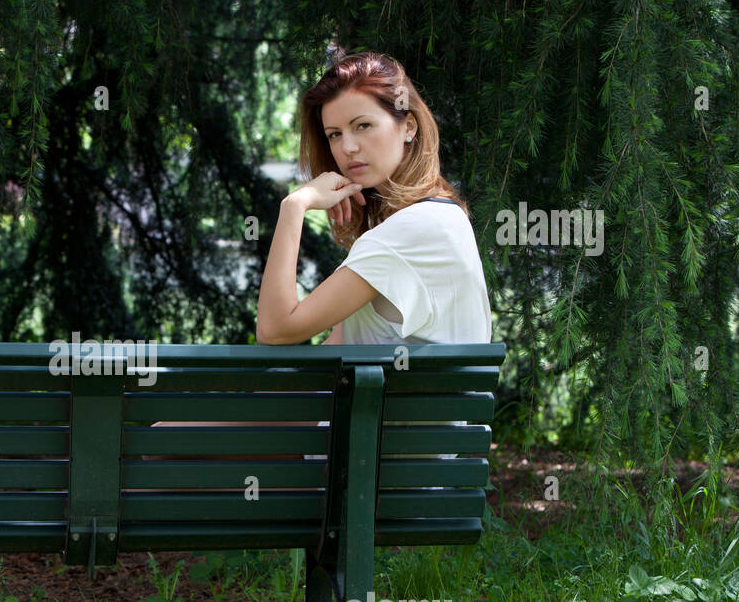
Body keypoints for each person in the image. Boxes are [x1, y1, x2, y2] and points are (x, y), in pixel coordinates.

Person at [153, 51, 492, 469]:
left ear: (408, 127)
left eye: (363, 126)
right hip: (398, 455)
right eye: (333, 134)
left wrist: (293, 207)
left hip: (370, 458)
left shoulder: (411, 231)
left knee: (162, 447)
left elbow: (276, 330)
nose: (347, 148)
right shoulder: (442, 218)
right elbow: (332, 352)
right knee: (171, 455)